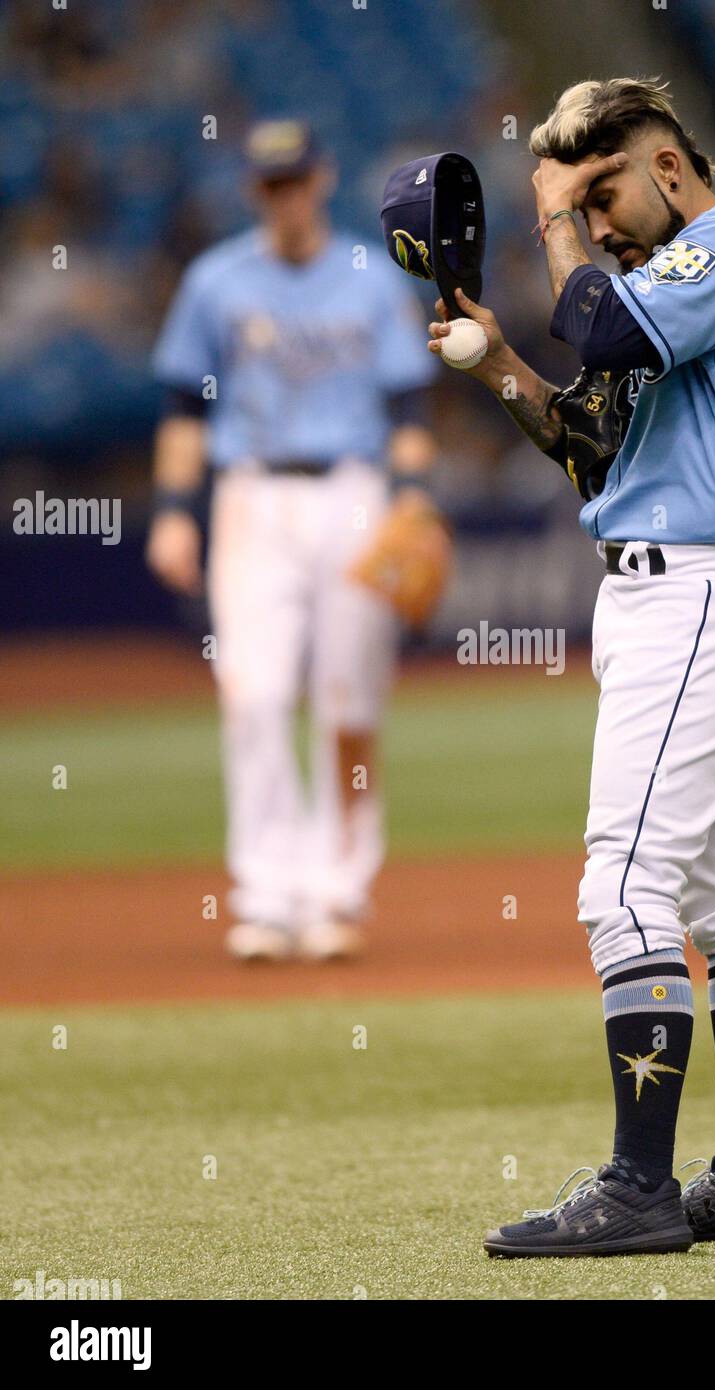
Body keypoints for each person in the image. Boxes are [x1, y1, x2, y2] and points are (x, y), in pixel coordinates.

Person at [427, 78, 715, 1257]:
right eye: (576, 204)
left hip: (692, 594)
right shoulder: (664, 289)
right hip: (674, 587)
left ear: (665, 161)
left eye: (601, 192)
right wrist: (495, 358)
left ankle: (637, 1189)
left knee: (622, 885)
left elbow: (594, 324)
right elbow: (590, 448)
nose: (591, 223)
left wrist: (544, 217)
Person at [146, 119, 441, 962]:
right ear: (254, 191)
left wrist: (412, 499)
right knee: (256, 693)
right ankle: (268, 895)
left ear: (322, 178)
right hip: (252, 496)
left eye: (296, 179)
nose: (286, 195)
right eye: (271, 183)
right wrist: (173, 508)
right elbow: (182, 410)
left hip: (353, 491)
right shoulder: (215, 281)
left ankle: (337, 892)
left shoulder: (370, 277)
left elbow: (409, 407)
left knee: (349, 700)